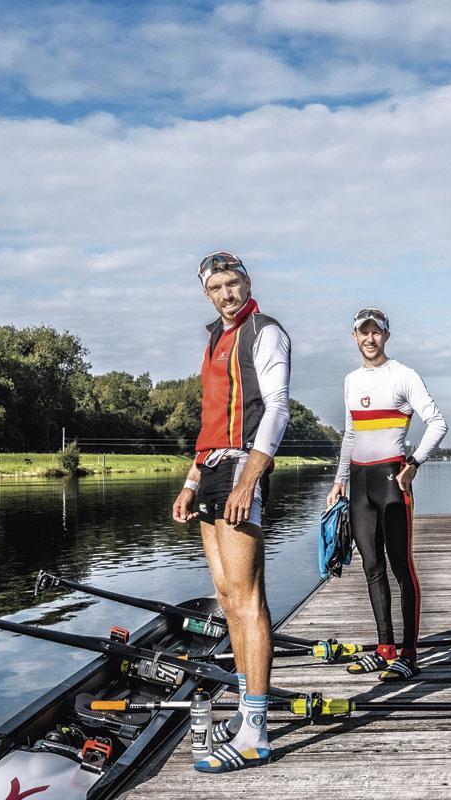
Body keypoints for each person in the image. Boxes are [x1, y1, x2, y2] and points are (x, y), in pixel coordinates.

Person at [172, 252, 291, 773]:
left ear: (248, 283)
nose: (227, 293)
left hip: (245, 463)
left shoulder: (265, 332)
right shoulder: (214, 339)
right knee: (225, 596)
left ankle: (256, 734)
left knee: (247, 601)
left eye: (234, 283)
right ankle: (245, 712)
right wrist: (191, 480)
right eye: (217, 286)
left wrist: (249, 478)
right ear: (206, 292)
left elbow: (279, 405)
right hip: (212, 467)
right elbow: (211, 419)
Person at [326, 308, 447, 682]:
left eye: (376, 332)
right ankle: (384, 649)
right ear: (354, 337)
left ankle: (409, 655)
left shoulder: (403, 376)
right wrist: (339, 479)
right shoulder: (350, 381)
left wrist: (414, 462)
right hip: (360, 485)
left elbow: (438, 422)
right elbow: (350, 434)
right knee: (371, 567)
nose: (369, 339)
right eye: (363, 332)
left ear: (386, 336)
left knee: (400, 568)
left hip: (392, 481)